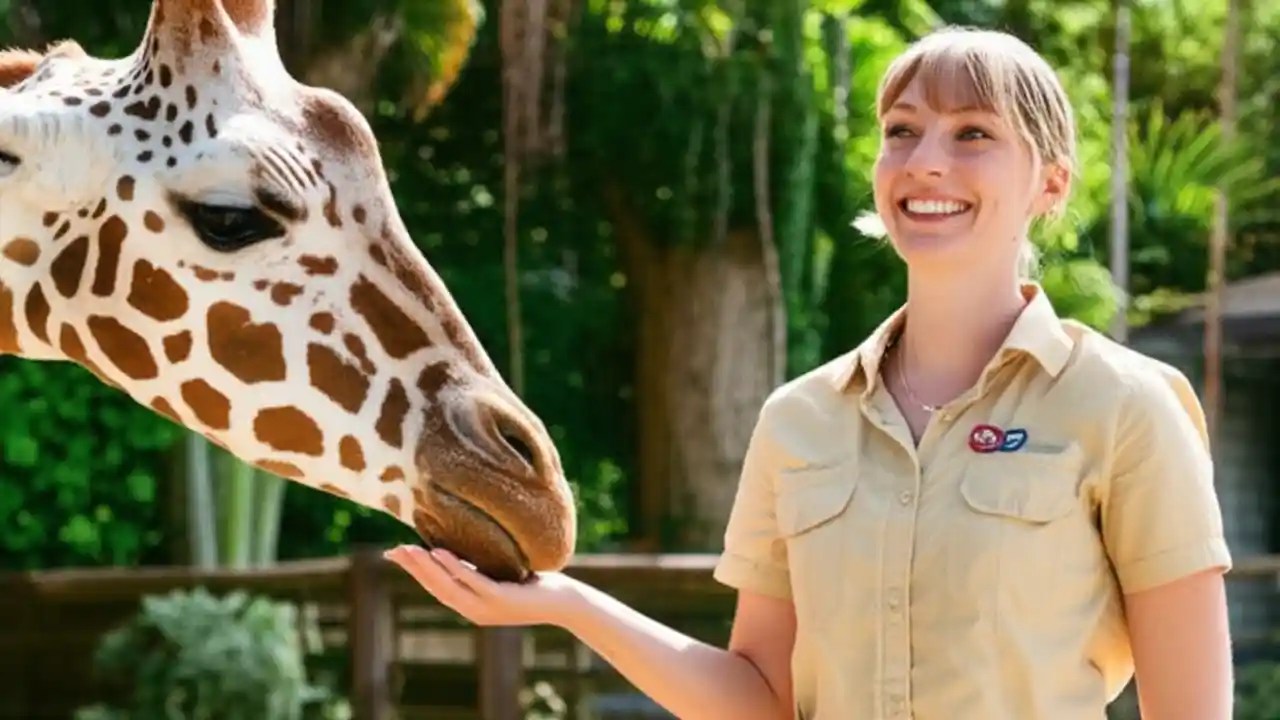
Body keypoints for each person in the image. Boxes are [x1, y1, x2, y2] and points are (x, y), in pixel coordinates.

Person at [384, 26, 1235, 720]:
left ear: (1049, 183)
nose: (926, 161)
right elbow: (758, 697)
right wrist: (565, 603)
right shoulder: (800, 420)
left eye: (973, 133)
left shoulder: (1125, 406)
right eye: (902, 131)